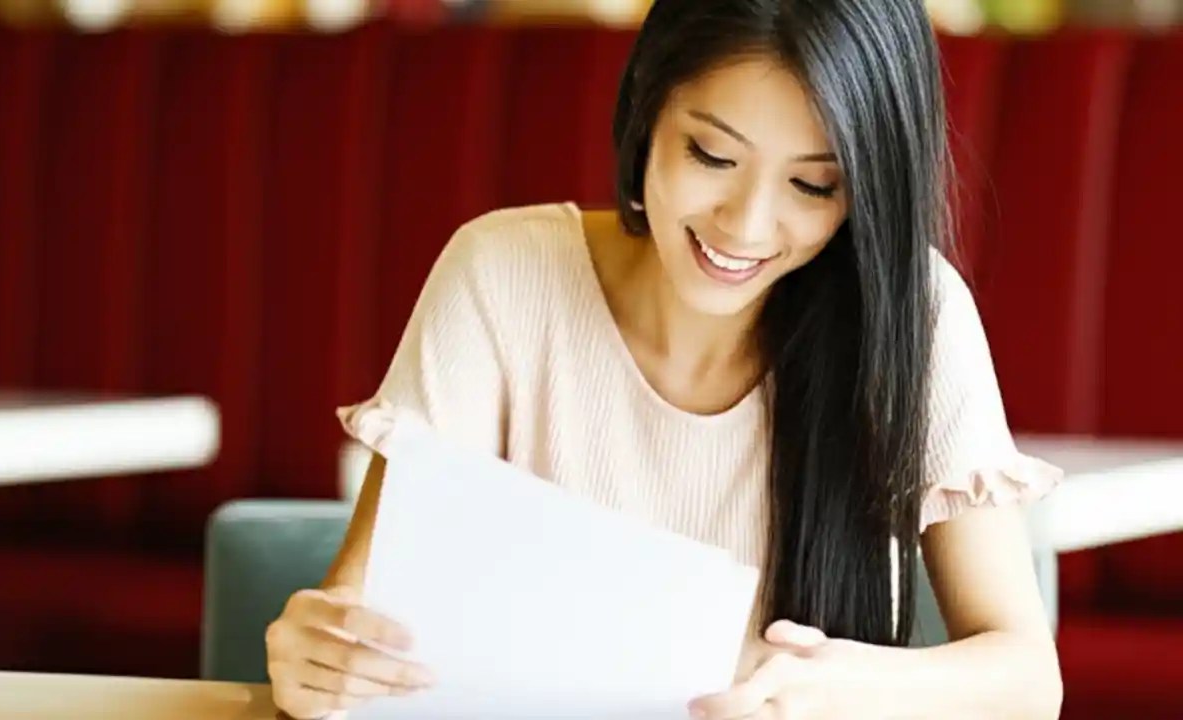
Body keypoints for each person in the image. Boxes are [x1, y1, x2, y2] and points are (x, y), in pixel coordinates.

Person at [265, 1, 1065, 718]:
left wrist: (843, 689)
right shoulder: (501, 276)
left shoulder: (910, 314)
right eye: (713, 156)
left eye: (814, 187)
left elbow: (1028, 681)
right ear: (647, 109)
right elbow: (361, 611)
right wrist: (321, 659)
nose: (747, 226)